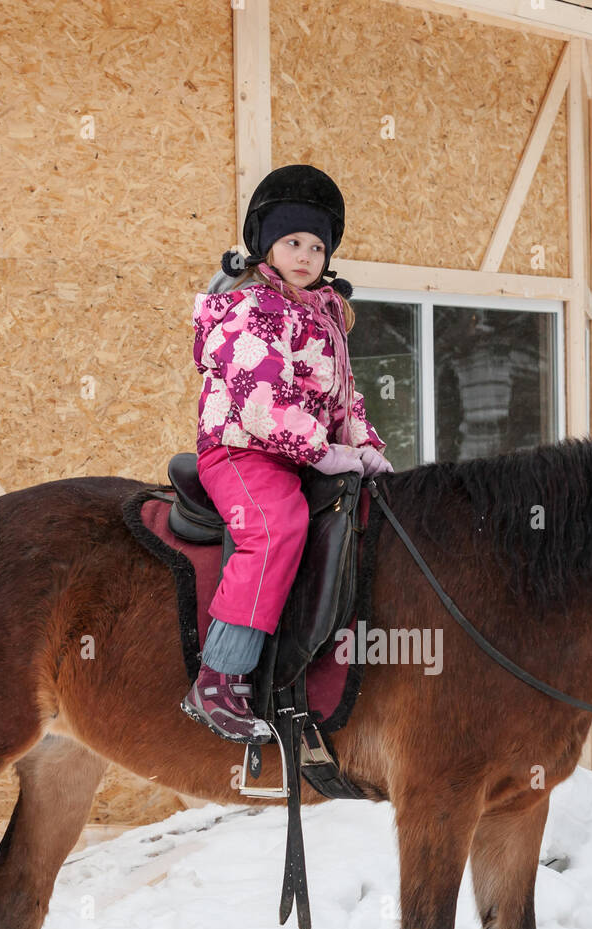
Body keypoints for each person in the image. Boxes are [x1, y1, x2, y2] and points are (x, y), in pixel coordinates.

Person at [181, 165, 393, 742]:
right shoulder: (252, 308)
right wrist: (320, 450)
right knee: (276, 526)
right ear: (266, 246)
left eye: (317, 245)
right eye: (293, 242)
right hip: (241, 450)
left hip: (301, 453)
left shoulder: (325, 318)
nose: (305, 255)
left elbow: (344, 398)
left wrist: (365, 448)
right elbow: (260, 399)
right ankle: (220, 675)